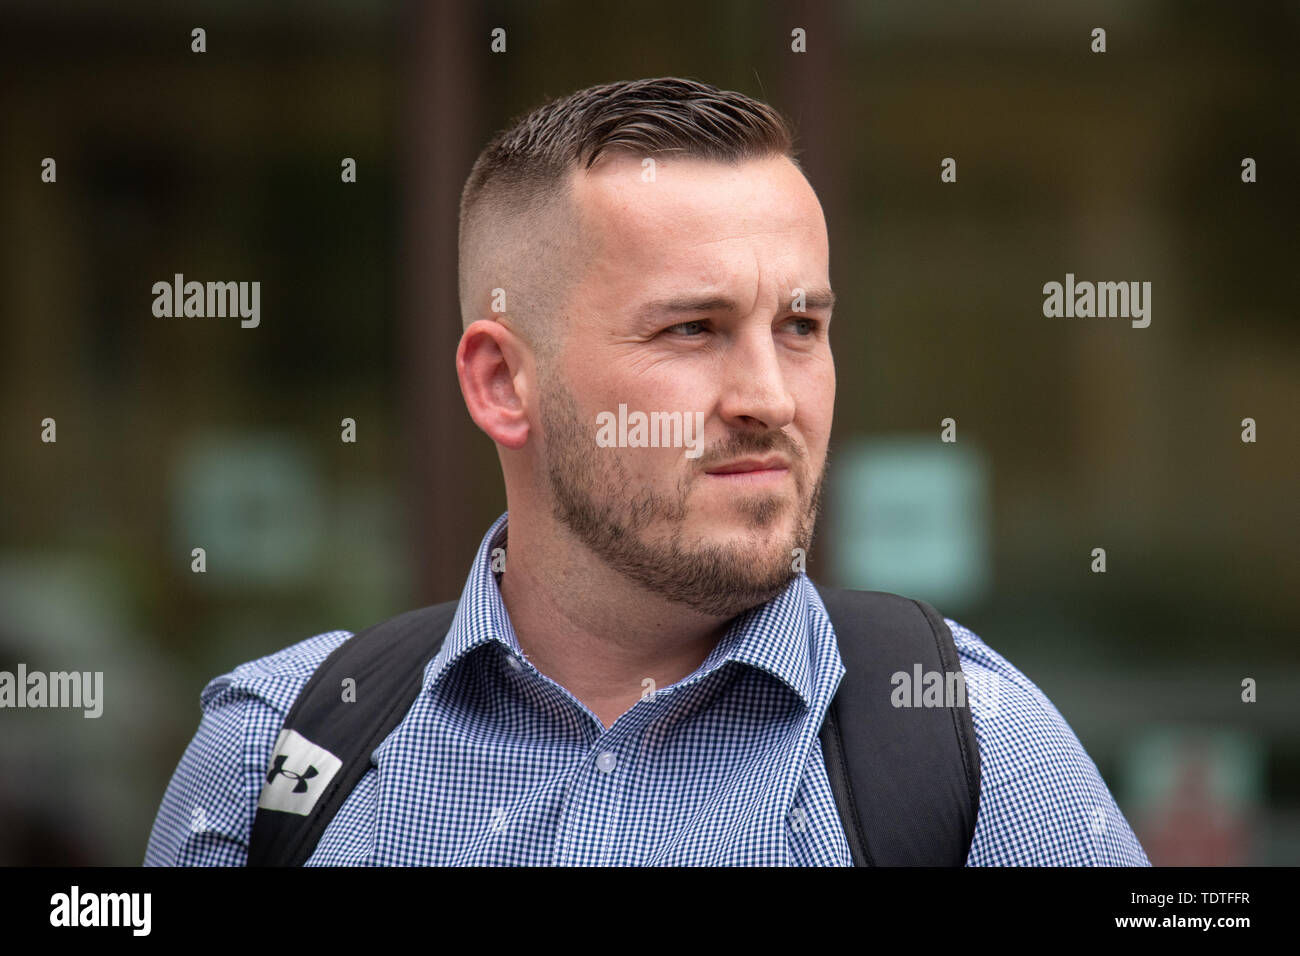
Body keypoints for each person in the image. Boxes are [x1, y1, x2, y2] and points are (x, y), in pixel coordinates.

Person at [145, 76, 1149, 866]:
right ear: (502, 382)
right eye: (691, 328)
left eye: (800, 325)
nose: (769, 394)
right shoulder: (278, 760)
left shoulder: (970, 751)